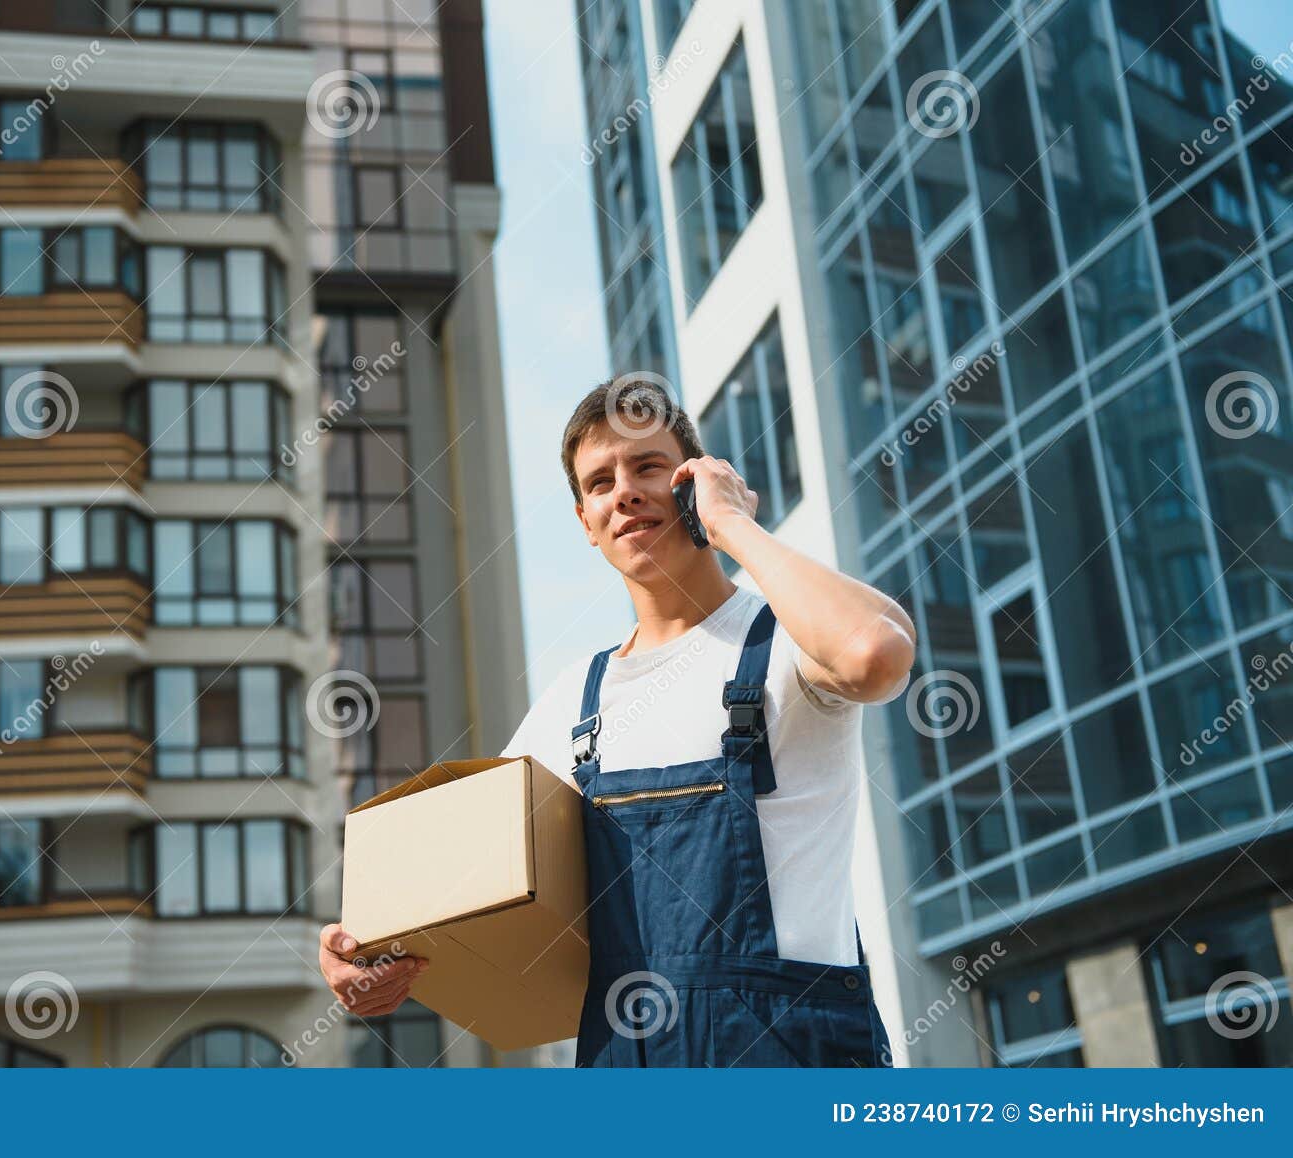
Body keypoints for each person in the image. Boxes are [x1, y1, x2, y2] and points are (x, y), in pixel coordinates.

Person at [319, 377, 915, 1066]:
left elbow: (875, 655)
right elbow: (458, 874)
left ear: (696, 482)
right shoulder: (575, 704)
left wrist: (732, 524)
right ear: (585, 521)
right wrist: (357, 947)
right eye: (600, 482)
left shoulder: (787, 644)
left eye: (648, 467)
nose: (625, 492)